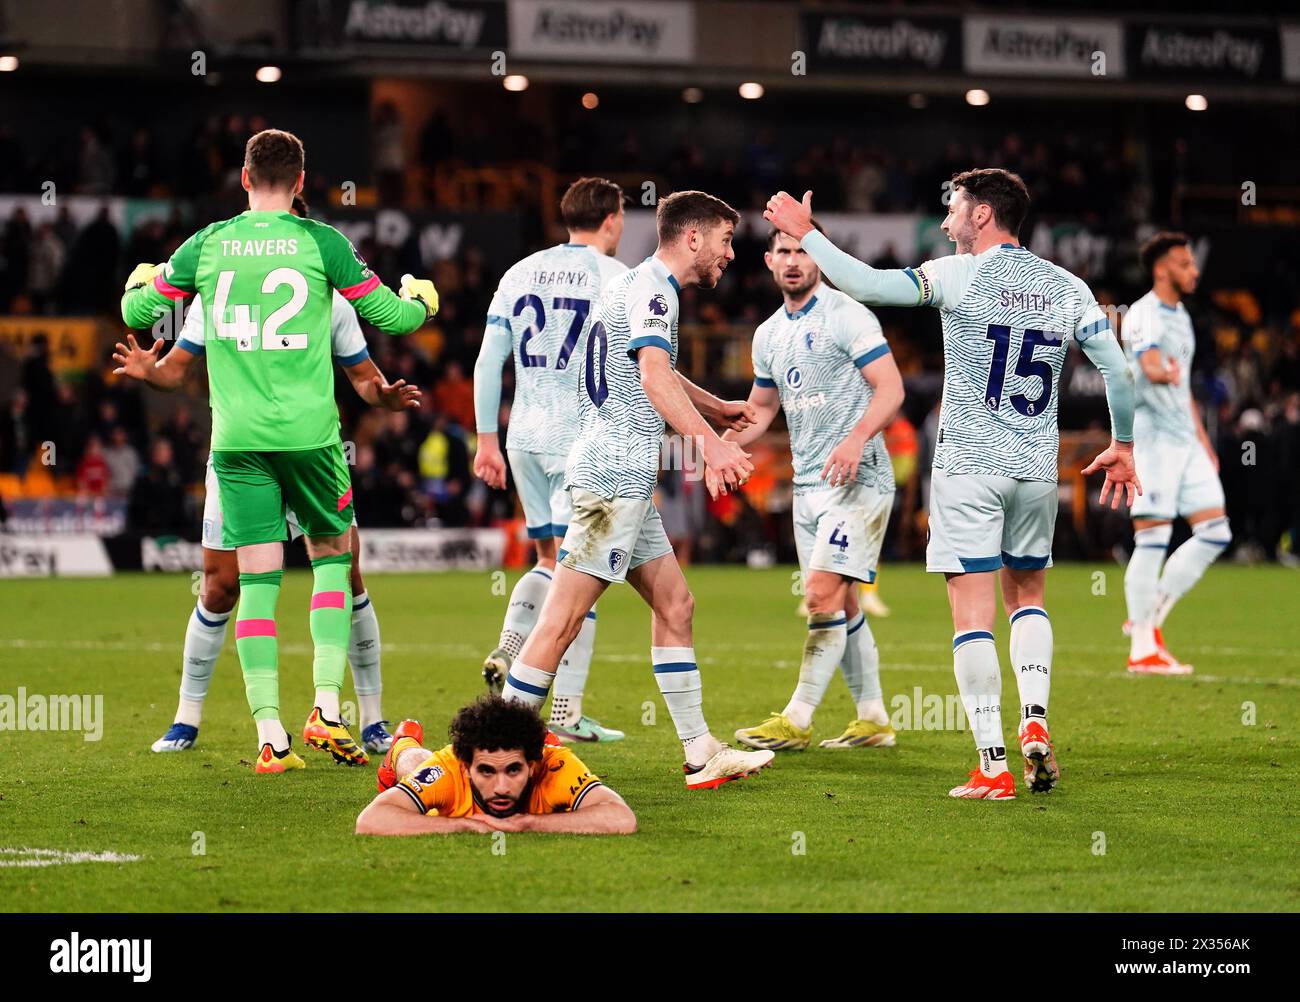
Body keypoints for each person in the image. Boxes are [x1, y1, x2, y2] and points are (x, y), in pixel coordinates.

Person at [766, 171, 1139, 800]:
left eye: (954, 210)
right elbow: (1118, 373)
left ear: (983, 214)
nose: (945, 223)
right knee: (1029, 599)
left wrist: (810, 236)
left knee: (972, 616)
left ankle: (992, 764)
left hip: (969, 469)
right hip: (1034, 469)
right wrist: (1122, 445)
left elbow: (867, 285)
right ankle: (1036, 723)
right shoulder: (1068, 285)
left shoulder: (958, 275)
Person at [119, 128, 436, 773]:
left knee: (256, 581)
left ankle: (271, 736)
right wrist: (423, 299)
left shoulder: (209, 247)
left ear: (242, 179)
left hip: (236, 442)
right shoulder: (322, 247)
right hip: (309, 438)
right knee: (330, 565)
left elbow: (136, 307)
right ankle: (324, 705)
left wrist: (143, 280)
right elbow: (398, 320)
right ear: (300, 182)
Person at [500, 189, 774, 791]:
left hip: (621, 474)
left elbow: (651, 367)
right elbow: (650, 375)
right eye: (726, 240)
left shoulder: (631, 285)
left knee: (677, 606)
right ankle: (495, 757)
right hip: (612, 478)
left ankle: (701, 752)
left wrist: (713, 406)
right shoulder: (652, 292)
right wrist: (711, 444)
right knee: (561, 622)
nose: (731, 254)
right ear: (694, 237)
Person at [728, 226, 903, 752]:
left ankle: (797, 718)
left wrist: (854, 440)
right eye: (784, 251)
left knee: (820, 596)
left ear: (820, 258)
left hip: (858, 479)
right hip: (808, 486)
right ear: (768, 261)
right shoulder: (767, 335)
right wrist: (720, 447)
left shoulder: (847, 314)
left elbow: (891, 387)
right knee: (843, 605)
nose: (794, 260)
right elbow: (760, 410)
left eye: (803, 249)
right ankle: (874, 718)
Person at [473, 177, 629, 743]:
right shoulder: (617, 278)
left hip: (525, 436)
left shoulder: (519, 272)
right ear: (612, 219)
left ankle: (510, 646)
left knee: (548, 559)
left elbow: (490, 361)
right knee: (581, 575)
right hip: (582, 440)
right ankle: (564, 711)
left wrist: (486, 439)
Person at [1122, 231, 1230, 675]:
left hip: (1186, 440)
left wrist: (1204, 441)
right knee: (1152, 539)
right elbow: (1147, 364)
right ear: (1163, 268)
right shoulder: (1143, 314)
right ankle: (1143, 649)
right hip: (1152, 441)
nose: (1194, 271)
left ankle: (1149, 616)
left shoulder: (1182, 316)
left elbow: (1182, 384)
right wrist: (1155, 371)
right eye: (1185, 264)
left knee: (1216, 532)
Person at [357, 696, 636, 835]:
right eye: (486, 771)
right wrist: (463, 825)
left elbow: (622, 818)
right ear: (466, 767)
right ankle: (403, 744)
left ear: (533, 764)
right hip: (440, 766)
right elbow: (370, 820)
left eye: (513, 770)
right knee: (418, 764)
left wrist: (530, 822)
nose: (501, 787)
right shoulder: (451, 768)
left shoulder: (556, 766)